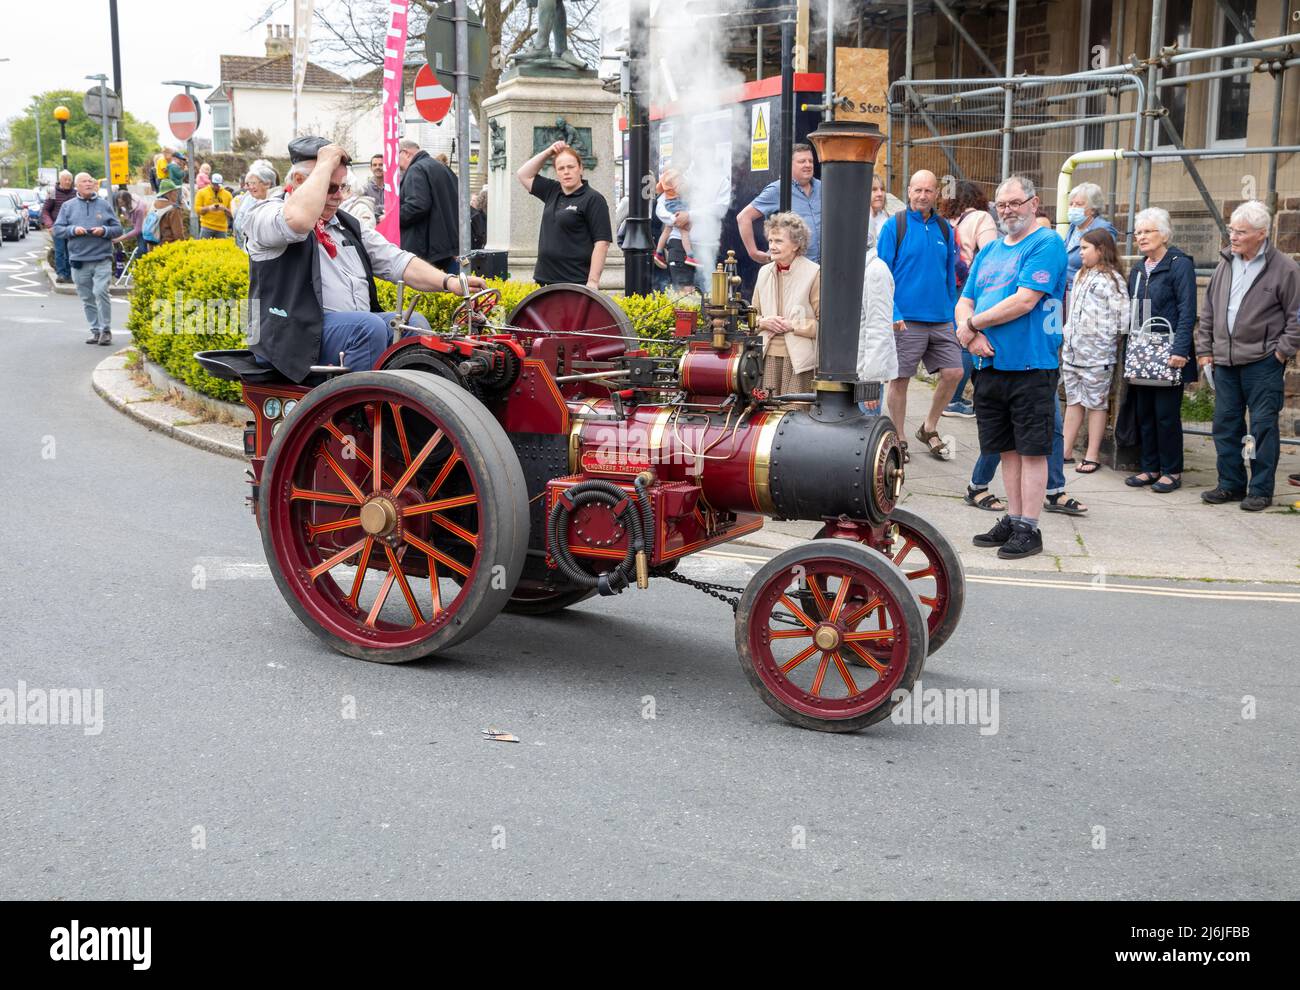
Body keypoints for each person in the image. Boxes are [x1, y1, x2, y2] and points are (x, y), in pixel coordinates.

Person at [243, 137, 485, 383]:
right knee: (368, 328)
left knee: (414, 324)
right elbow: (299, 221)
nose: (338, 196)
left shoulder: (347, 223)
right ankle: (363, 416)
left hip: (344, 331)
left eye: (342, 187)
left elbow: (397, 261)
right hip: (289, 335)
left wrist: (450, 282)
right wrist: (325, 162)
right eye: (330, 187)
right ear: (298, 181)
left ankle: (412, 410)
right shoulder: (265, 214)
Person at [955, 174, 1068, 560]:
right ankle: (1014, 517)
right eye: (1002, 204)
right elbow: (965, 299)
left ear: (1034, 204)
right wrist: (967, 331)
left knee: (1033, 451)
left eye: (1016, 203)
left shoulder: (1046, 243)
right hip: (990, 366)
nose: (1008, 211)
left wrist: (972, 326)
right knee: (1006, 450)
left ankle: (1030, 529)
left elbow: (1024, 301)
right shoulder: (989, 251)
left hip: (1031, 365)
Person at [1195, 200, 1300, 511]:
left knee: (1263, 428)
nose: (1233, 237)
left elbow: (1297, 316)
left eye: (1241, 232)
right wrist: (1204, 349)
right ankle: (1230, 485)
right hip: (1225, 361)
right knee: (1225, 425)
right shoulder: (1226, 262)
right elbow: (1210, 309)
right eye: (1231, 230)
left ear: (1261, 234)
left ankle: (1260, 490)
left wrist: (1282, 353)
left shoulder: (1286, 269)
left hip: (1264, 362)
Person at [876, 169, 961, 461]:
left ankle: (929, 427)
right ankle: (899, 438)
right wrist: (893, 313)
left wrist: (952, 312)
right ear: (908, 191)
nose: (923, 196)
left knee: (954, 373)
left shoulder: (945, 229)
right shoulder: (894, 227)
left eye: (929, 190)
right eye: (917, 190)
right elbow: (881, 276)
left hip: (940, 319)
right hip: (905, 319)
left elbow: (950, 274)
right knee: (900, 380)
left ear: (937, 193)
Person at [1123, 207, 1198, 494]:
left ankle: (1171, 470)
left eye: (1147, 231)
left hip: (1169, 351)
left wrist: (1180, 350)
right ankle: (1150, 466)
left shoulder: (1179, 264)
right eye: (1138, 232)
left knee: (1166, 414)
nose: (1141, 237)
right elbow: (1135, 312)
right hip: (1143, 351)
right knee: (1144, 412)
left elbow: (1187, 309)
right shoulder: (1139, 269)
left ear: (1164, 234)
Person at [1061, 229, 1128, 474]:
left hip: (1097, 355)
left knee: (1096, 404)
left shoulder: (1112, 279)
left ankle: (1092, 454)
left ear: (1101, 250)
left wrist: (1101, 334)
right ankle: (1065, 450)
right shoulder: (1081, 274)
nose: (1080, 253)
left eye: (1085, 248)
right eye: (1079, 248)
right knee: (1074, 401)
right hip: (1073, 353)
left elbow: (1123, 317)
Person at [516, 140, 612, 289]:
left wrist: (593, 282)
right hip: (545, 279)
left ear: (581, 169)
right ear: (556, 172)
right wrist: (549, 152)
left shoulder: (593, 199)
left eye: (571, 167)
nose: (566, 172)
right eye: (561, 168)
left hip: (575, 281)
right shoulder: (552, 190)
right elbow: (523, 174)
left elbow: (602, 243)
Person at [943, 180, 1000, 418]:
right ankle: (952, 400)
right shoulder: (981, 218)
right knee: (967, 340)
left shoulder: (947, 221)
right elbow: (991, 253)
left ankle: (948, 396)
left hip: (949, 285)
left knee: (956, 338)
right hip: (970, 284)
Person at [752, 213, 819, 397]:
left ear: (796, 244)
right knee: (767, 417)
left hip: (799, 362)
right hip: (766, 358)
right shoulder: (764, 272)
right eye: (770, 240)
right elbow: (751, 317)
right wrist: (764, 322)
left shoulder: (814, 273)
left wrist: (792, 325)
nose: (772, 246)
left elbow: (825, 325)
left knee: (794, 415)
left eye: (779, 241)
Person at [53, 172, 122, 345]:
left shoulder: (104, 204)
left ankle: (106, 330)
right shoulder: (68, 206)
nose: (89, 183)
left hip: (101, 258)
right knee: (87, 298)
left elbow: (118, 228)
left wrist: (104, 231)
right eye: (84, 181)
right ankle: (95, 330)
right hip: (79, 260)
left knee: (100, 292)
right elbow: (58, 229)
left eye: (90, 181)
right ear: (77, 186)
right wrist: (72, 230)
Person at [736, 144, 822, 264]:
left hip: (823, 268)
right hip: (791, 268)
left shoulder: (822, 187)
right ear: (789, 165)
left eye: (810, 161)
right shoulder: (777, 189)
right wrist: (753, 253)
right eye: (802, 161)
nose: (808, 165)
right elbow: (743, 217)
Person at [398, 138, 460, 272]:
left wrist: (393, 218)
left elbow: (417, 205)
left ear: (405, 153)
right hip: (446, 246)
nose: (399, 167)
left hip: (426, 249)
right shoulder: (443, 168)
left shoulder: (416, 169)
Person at [857, 221, 898, 414]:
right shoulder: (857, 268)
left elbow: (879, 328)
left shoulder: (875, 271)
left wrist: (871, 384)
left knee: (864, 439)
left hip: (864, 376)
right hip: (851, 372)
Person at [1063, 182, 1120, 289]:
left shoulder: (1103, 228)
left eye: (1079, 204)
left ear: (1093, 209)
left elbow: (1106, 262)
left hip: (1088, 289)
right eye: (1071, 204)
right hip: (1066, 288)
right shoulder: (1073, 227)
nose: (1073, 208)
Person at [652, 169, 696, 268]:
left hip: (669, 203)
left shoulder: (664, 177)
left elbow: (658, 188)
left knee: (667, 229)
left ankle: (658, 253)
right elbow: (679, 188)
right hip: (676, 203)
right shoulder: (675, 174)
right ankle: (690, 255)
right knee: (684, 230)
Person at [42, 170, 77, 283]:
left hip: (72, 227)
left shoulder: (76, 193)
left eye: (69, 180)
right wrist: (49, 225)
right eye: (65, 179)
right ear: (60, 180)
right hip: (57, 227)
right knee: (60, 251)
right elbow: (45, 211)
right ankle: (61, 274)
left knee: (71, 251)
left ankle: (70, 274)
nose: (67, 182)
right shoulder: (53, 192)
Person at [234, 163, 276, 248]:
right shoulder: (248, 197)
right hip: (244, 247)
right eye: (248, 184)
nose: (248, 187)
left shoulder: (275, 203)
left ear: (267, 183)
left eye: (253, 183)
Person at [142, 180, 188, 248]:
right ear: (169, 193)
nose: (177, 194)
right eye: (175, 191)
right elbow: (178, 234)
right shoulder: (174, 209)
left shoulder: (152, 205)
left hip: (152, 246)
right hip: (168, 248)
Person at [194, 173, 233, 239]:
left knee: (222, 248)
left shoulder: (228, 195)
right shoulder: (201, 192)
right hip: (206, 226)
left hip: (222, 228)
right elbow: (197, 210)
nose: (216, 187)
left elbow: (233, 214)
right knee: (204, 247)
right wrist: (209, 208)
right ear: (210, 182)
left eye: (218, 185)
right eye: (214, 184)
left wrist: (224, 209)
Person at [869, 172, 903, 245]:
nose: (880, 194)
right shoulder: (857, 220)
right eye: (874, 189)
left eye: (882, 189)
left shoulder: (888, 219)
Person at [363, 153, 386, 219]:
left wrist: (375, 207)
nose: (377, 167)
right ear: (371, 168)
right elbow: (366, 209)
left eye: (381, 165)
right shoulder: (365, 189)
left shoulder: (392, 187)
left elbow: (397, 207)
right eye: (374, 165)